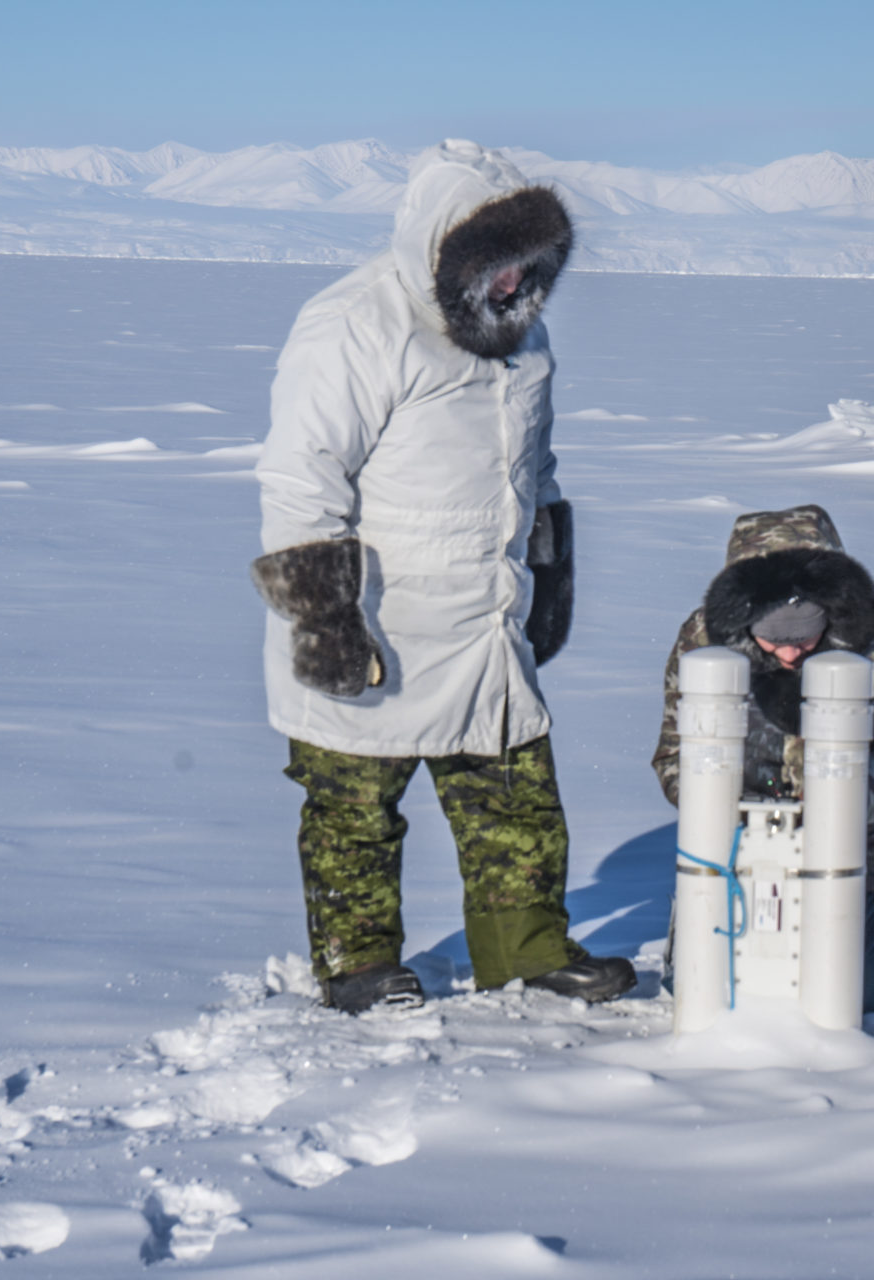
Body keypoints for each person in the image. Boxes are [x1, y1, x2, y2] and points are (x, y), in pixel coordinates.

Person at [250, 140, 634, 1015]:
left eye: (529, 262)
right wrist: (325, 618)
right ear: (447, 249)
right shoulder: (354, 324)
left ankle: (526, 951)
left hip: (482, 617)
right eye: (498, 261)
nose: (515, 281)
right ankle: (359, 966)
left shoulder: (524, 334)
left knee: (516, 795)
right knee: (353, 808)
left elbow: (535, 467)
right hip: (377, 616)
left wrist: (549, 569)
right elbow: (300, 479)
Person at [651, 504, 874, 1009]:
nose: (791, 655)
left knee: (855, 987)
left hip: (870, 835)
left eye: (804, 638)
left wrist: (838, 804)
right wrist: (729, 811)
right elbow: (674, 755)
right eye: (774, 641)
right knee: (704, 979)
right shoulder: (704, 642)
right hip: (740, 840)